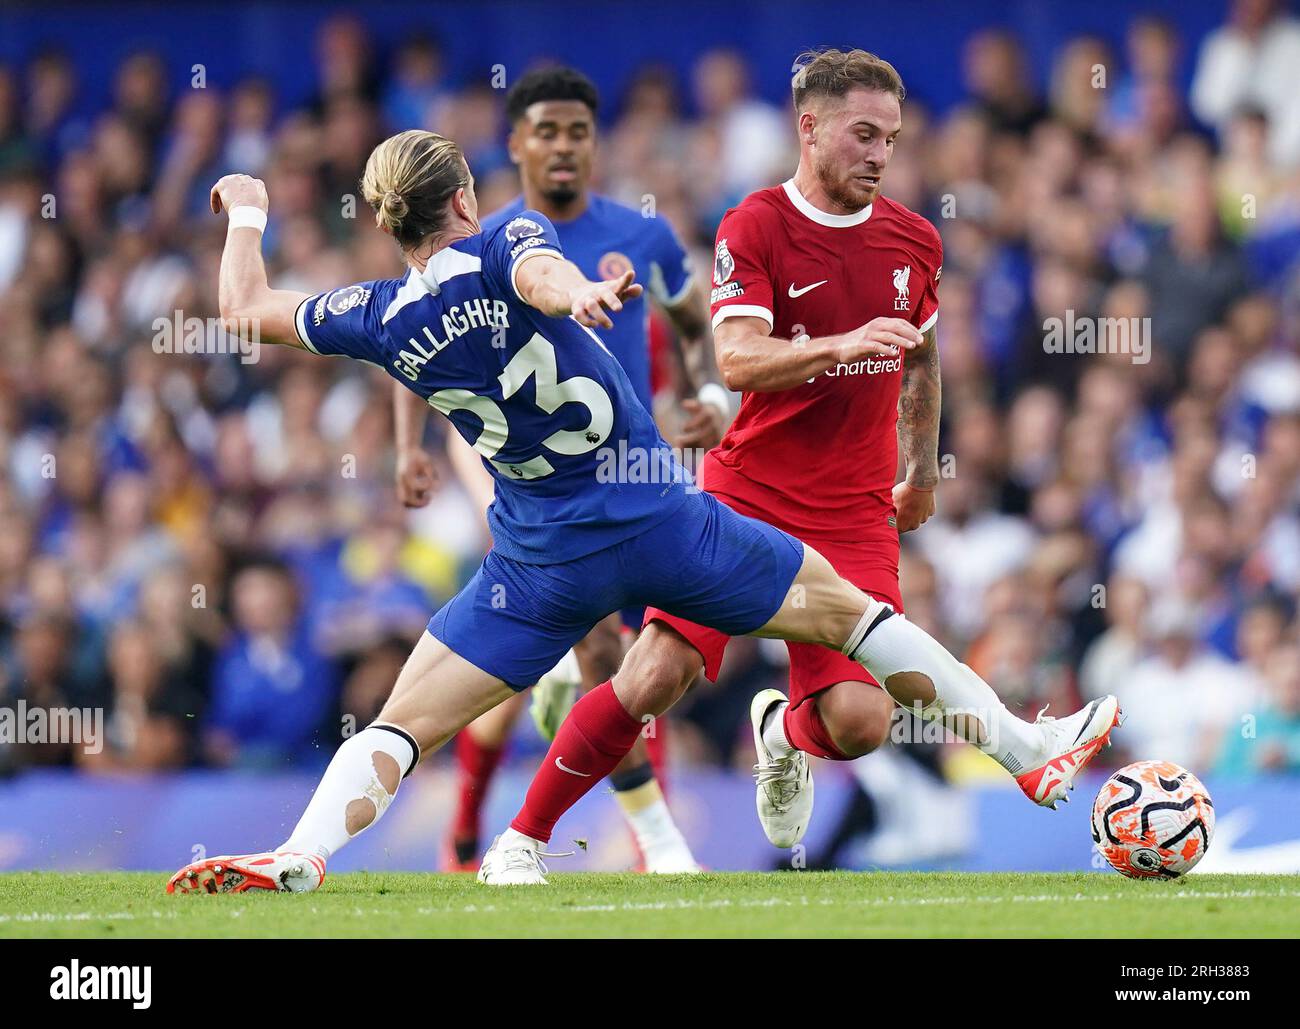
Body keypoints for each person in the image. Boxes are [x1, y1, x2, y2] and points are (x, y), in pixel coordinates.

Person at [167, 124, 1117, 896]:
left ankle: (301, 852)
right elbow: (539, 274)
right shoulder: (507, 238)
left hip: (539, 567)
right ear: (462, 198)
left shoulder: (374, 315)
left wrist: (247, 207)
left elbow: (244, 305)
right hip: (664, 526)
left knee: (400, 724)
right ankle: (1026, 751)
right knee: (861, 620)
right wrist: (578, 290)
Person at [479, 49, 1121, 885]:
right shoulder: (753, 226)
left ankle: (783, 731)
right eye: (863, 134)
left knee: (860, 721)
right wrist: (841, 345)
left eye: (890, 138)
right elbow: (738, 360)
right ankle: (519, 840)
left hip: (853, 509)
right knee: (652, 676)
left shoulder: (915, 240)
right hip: (745, 497)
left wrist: (920, 471)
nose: (880, 155)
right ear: (808, 126)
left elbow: (922, 362)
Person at [391, 67, 722, 874]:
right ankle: (644, 840)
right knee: (596, 653)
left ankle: (485, 823)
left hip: (640, 481)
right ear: (516, 144)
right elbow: (408, 349)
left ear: (594, 141)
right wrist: (409, 447)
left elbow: (689, 318)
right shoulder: (481, 244)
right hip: (536, 487)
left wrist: (703, 390)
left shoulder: (644, 235)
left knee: (653, 653)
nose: (564, 146)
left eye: (577, 131)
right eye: (546, 131)